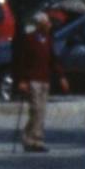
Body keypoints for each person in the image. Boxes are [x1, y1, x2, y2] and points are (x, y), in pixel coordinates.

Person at [9, 13, 56, 152]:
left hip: (45, 79)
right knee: (35, 109)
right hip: (32, 79)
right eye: (47, 23)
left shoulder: (48, 39)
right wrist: (22, 80)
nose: (49, 25)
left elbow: (53, 58)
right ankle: (34, 140)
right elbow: (22, 61)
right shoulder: (29, 39)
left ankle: (31, 138)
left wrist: (61, 76)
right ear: (40, 24)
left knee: (41, 111)